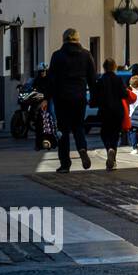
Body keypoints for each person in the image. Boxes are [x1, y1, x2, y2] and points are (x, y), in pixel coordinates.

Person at [47, 28, 96, 172]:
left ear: (64, 39)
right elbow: (92, 79)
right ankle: (82, 148)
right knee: (78, 126)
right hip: (79, 96)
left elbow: (51, 79)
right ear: (77, 38)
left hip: (62, 98)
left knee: (62, 130)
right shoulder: (86, 55)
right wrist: (93, 97)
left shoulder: (57, 56)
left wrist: (46, 97)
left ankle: (65, 164)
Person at [94, 59, 129, 170]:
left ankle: (109, 148)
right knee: (115, 133)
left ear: (104, 67)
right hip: (117, 111)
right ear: (114, 67)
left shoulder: (101, 80)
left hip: (105, 111)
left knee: (104, 133)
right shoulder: (118, 79)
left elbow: (96, 98)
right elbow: (124, 94)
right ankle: (113, 157)